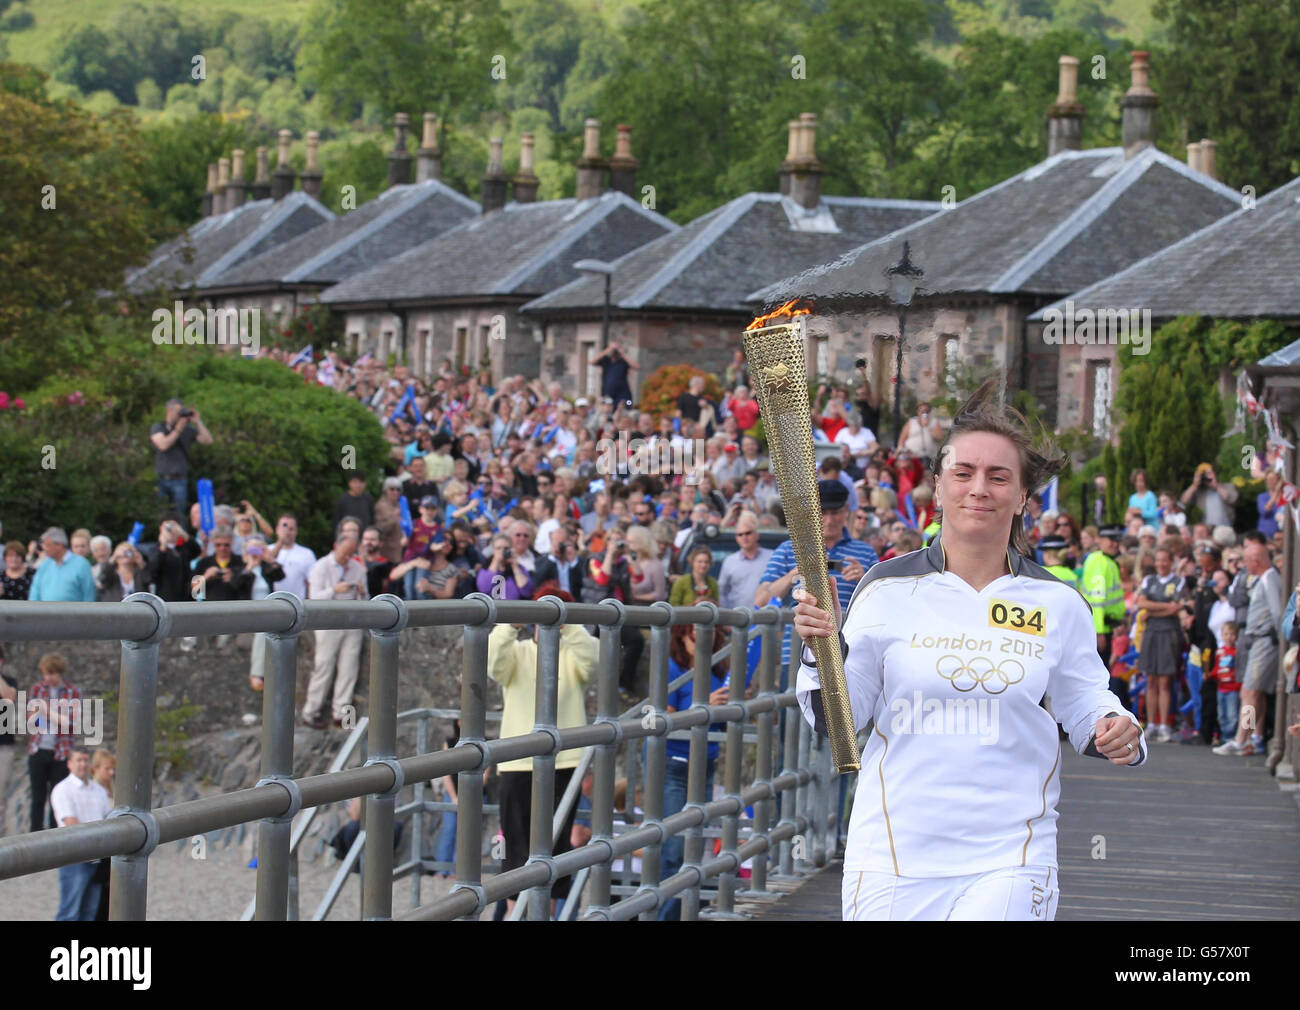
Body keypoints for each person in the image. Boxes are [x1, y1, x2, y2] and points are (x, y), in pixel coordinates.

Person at [791, 377, 1144, 921]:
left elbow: (1088, 705)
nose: (979, 487)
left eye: (998, 476)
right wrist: (822, 648)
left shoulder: (1057, 601)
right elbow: (839, 721)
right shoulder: (885, 589)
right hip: (891, 854)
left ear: (1023, 495)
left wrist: (1117, 727)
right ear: (938, 486)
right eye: (964, 472)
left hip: (1012, 854)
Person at [487, 585, 597, 916]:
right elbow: (491, 661)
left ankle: (542, 915)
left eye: (557, 610)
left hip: (564, 762)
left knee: (554, 848)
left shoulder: (573, 653)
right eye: (544, 612)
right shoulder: (518, 653)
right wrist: (512, 621)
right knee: (516, 849)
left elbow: (596, 663)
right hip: (518, 762)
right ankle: (514, 912)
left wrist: (568, 622)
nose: (549, 619)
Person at [657, 620, 749, 920]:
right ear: (682, 635)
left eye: (710, 635)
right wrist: (705, 706)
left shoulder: (715, 672)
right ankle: (665, 917)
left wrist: (729, 707)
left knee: (693, 850)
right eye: (696, 634)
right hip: (675, 765)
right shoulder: (672, 668)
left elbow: (718, 725)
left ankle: (679, 914)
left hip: (704, 764)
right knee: (672, 851)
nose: (703, 640)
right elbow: (663, 722)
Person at [756, 479, 878, 677]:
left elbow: (882, 605)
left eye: (835, 513)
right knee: (793, 706)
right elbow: (760, 601)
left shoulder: (865, 552)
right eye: (823, 512)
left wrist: (864, 580)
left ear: (846, 510)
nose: (829, 520)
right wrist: (791, 576)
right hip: (797, 652)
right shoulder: (789, 549)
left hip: (851, 651)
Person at [1214, 538, 1282, 756]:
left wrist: (1280, 638)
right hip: (1259, 640)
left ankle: (1242, 738)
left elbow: (1277, 612)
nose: (1244, 564)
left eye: (1246, 560)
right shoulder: (1263, 579)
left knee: (1250, 691)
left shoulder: (1269, 579)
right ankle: (1253, 736)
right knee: (1255, 692)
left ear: (1256, 560)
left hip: (1264, 640)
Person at [302, 534, 369, 729]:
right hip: (328, 622)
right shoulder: (321, 566)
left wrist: (362, 592)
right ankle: (310, 713)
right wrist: (334, 590)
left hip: (351, 621)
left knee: (349, 669)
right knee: (324, 666)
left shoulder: (358, 569)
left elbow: (367, 600)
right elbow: (313, 599)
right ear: (335, 546)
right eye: (344, 553)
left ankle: (343, 716)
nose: (347, 558)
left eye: (351, 554)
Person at [50, 746, 112, 921]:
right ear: (69, 764)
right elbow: (71, 824)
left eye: (85, 760)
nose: (83, 764)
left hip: (97, 859)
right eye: (79, 760)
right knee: (70, 912)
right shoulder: (63, 789)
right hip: (74, 858)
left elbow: (108, 820)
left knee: (90, 912)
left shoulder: (99, 790)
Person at [1135, 548, 1189, 743]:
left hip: (1169, 633)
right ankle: (1151, 725)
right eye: (1158, 560)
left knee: (1165, 681)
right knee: (1150, 680)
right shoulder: (1150, 580)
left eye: (1165, 560)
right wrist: (1166, 607)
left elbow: (1178, 608)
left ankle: (1165, 724)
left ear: (1170, 562)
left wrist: (1154, 610)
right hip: (1151, 633)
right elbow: (1142, 603)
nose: (1161, 564)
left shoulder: (1178, 582)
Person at [26, 651, 82, 832]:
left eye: (50, 673)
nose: (47, 678)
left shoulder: (72, 692)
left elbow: (71, 724)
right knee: (37, 798)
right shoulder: (37, 689)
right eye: (44, 673)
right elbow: (33, 724)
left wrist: (47, 711)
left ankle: (54, 836)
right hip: (39, 749)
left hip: (61, 752)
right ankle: (34, 837)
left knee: (56, 798)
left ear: (59, 672)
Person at [1082, 524, 1127, 706]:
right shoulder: (1100, 562)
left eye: (1117, 540)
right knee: (1099, 678)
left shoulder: (1107, 561)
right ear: (1100, 540)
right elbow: (1097, 600)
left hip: (1108, 625)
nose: (1114, 544)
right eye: (1110, 540)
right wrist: (1099, 631)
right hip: (1099, 627)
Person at [149, 398, 213, 514]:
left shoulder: (187, 430)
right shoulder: (158, 427)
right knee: (160, 513)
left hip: (180, 479)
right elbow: (163, 445)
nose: (180, 415)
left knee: (179, 514)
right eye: (178, 412)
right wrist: (178, 430)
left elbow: (208, 440)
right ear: (168, 411)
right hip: (162, 479)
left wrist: (198, 422)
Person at [718, 510, 772, 611]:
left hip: (768, 619)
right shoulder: (729, 561)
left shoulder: (772, 557)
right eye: (740, 534)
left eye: (748, 533)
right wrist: (726, 620)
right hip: (737, 620)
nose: (744, 537)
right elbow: (722, 593)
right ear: (736, 538)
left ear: (757, 535)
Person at [28, 528, 96, 602]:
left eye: (47, 545)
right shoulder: (44, 565)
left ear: (59, 545)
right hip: (44, 613)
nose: (44, 549)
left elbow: (88, 595)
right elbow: (35, 592)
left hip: (73, 613)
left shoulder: (82, 564)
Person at [264, 514, 317, 600]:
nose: (287, 531)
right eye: (284, 526)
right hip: (269, 603)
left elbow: (311, 582)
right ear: (277, 529)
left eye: (291, 529)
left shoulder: (307, 554)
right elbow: (267, 560)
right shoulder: (267, 550)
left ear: (296, 531)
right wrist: (280, 542)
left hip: (297, 604)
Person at [90, 748, 116, 921]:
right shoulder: (92, 792)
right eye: (107, 769)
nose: (111, 773)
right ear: (96, 769)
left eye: (112, 769)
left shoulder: (112, 789)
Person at [1180, 463, 1238, 528]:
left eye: (1209, 473)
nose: (1206, 476)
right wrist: (1194, 485)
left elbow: (1232, 500)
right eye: (1203, 475)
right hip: (1206, 529)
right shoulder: (1199, 491)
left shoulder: (1228, 486)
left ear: (1214, 474)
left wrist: (1216, 486)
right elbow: (1184, 501)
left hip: (1225, 527)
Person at [1213, 622, 1241, 744]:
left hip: (1233, 688)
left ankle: (1230, 736)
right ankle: (1224, 735)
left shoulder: (1237, 652)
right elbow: (1217, 667)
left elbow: (1239, 669)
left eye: (1232, 634)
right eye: (1226, 634)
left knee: (1232, 714)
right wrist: (1210, 675)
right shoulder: (1220, 652)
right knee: (1221, 715)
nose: (1229, 637)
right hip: (1221, 687)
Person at [592, 342, 637, 406]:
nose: (614, 352)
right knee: (608, 410)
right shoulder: (606, 360)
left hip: (623, 394)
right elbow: (593, 362)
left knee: (628, 404)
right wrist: (607, 350)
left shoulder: (623, 361)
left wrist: (622, 353)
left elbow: (636, 366)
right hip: (609, 394)